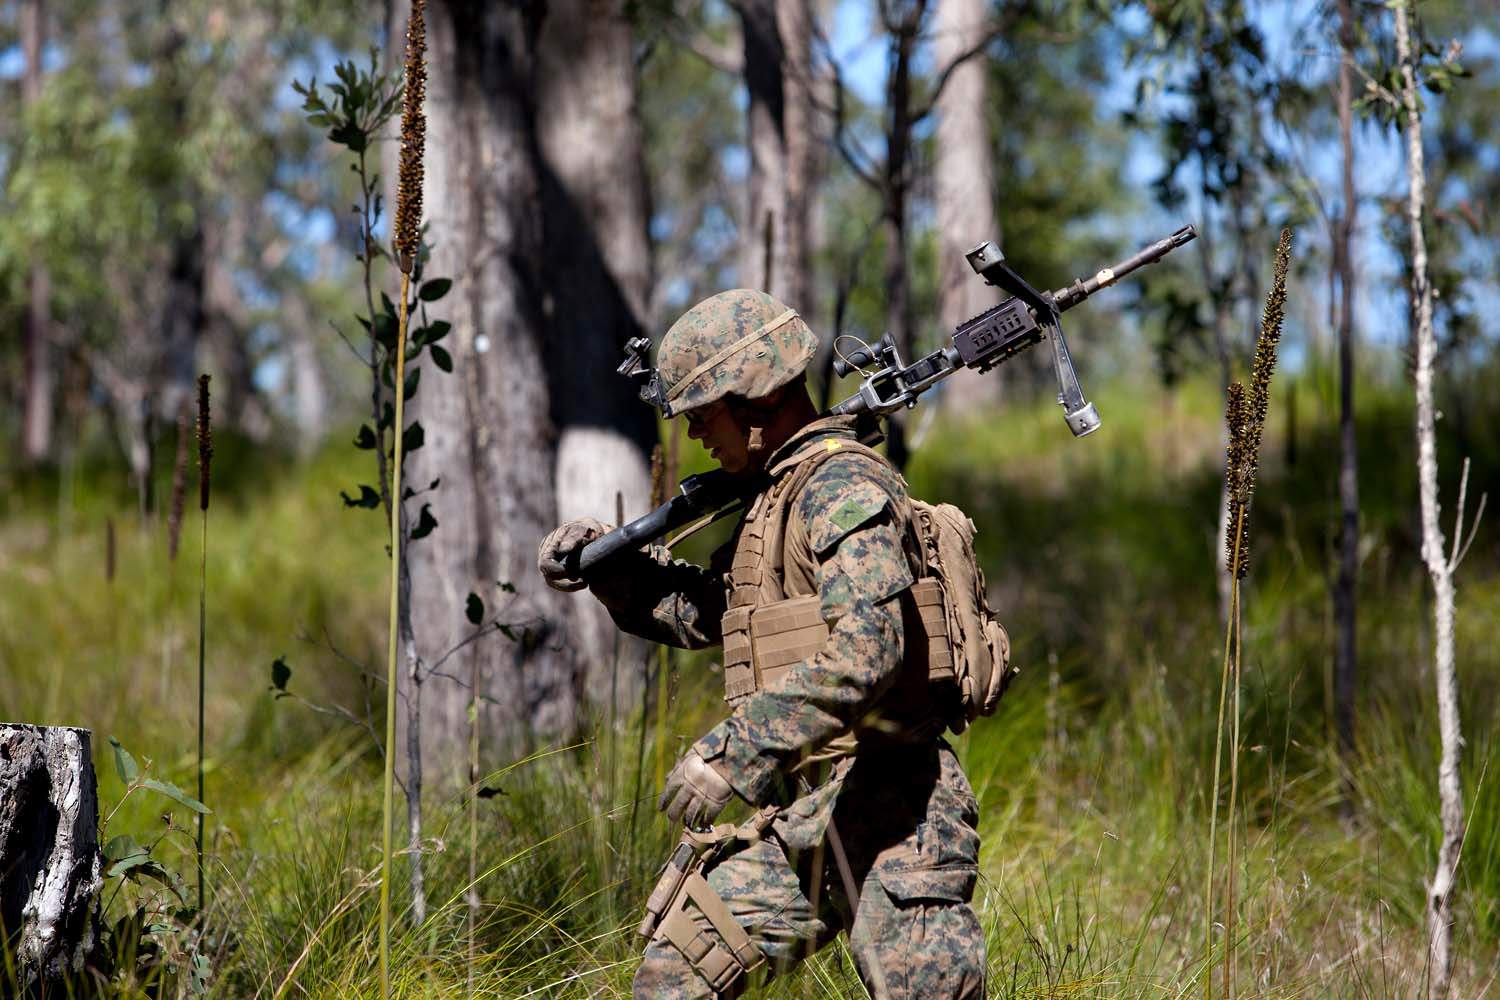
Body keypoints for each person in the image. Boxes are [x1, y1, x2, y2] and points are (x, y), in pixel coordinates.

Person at [538, 289, 986, 999]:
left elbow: (871, 649)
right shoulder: (775, 498)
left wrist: (731, 752)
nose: (695, 439)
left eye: (701, 416)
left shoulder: (840, 481)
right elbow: (717, 616)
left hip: (896, 807)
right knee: (671, 980)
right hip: (805, 814)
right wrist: (610, 573)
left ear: (751, 401)